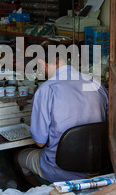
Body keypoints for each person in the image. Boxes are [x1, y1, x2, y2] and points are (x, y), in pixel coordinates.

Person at [15, 42, 109, 186]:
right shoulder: (96, 83)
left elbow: (40, 142)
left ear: (41, 62)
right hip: (99, 165)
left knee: (18, 156)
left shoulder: (47, 89)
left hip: (61, 170)